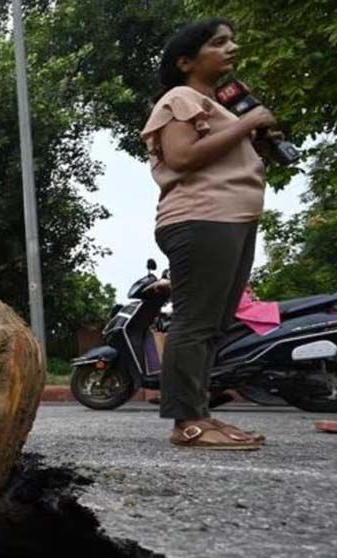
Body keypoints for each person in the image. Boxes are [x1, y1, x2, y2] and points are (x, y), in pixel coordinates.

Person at [141, 19, 280, 450]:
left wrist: (255, 138)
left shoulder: (220, 107)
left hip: (233, 218)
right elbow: (182, 158)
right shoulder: (179, 98)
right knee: (196, 322)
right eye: (218, 43)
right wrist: (247, 124)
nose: (231, 48)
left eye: (231, 41)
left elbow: (223, 161)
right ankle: (189, 423)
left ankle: (200, 413)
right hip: (201, 218)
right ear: (186, 61)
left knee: (215, 324)